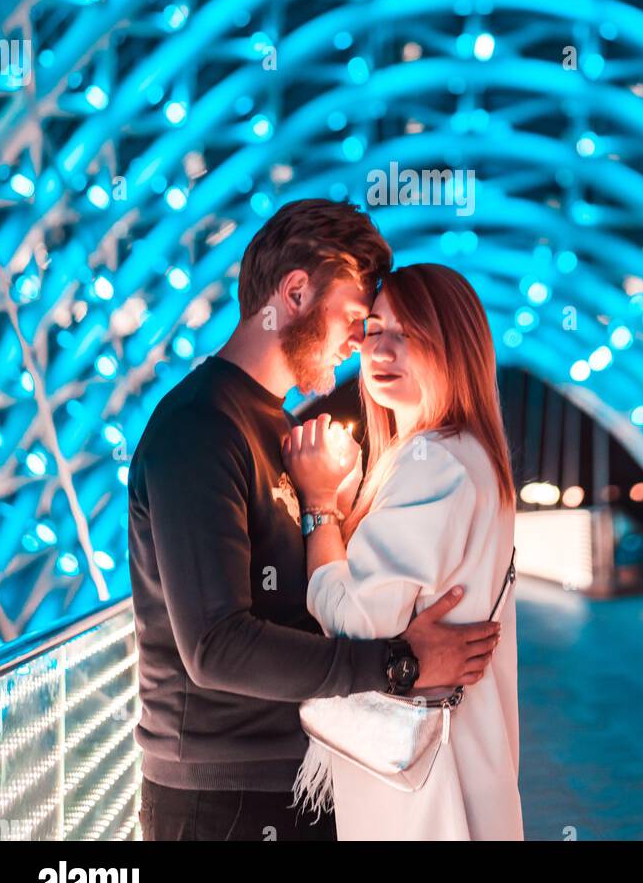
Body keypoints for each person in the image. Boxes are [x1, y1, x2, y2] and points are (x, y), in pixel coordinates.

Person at [128, 200, 502, 842]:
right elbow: (215, 647)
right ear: (295, 293)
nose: (362, 343)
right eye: (356, 318)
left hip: (300, 778)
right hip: (222, 801)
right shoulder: (199, 428)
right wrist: (398, 665)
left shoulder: (284, 434)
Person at [285, 263, 524, 841]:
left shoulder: (433, 462)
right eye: (373, 328)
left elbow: (358, 622)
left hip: (425, 793)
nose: (381, 349)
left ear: (457, 350)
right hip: (461, 773)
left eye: (409, 334)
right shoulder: (467, 458)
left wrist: (320, 508)